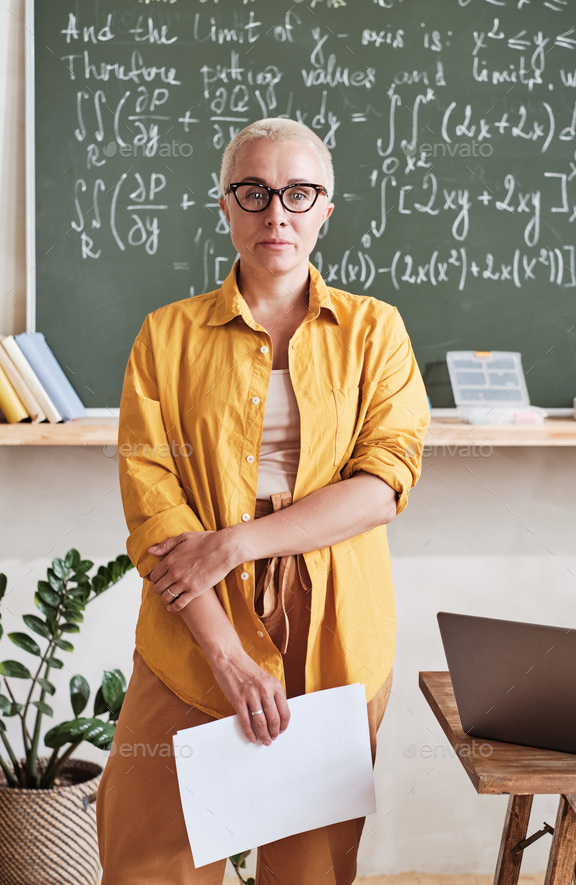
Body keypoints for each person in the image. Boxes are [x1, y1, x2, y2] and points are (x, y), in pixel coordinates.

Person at [97, 117, 429, 884]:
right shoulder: (165, 335)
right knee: (151, 858)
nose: (275, 213)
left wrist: (238, 541)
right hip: (196, 615)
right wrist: (227, 652)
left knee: (308, 866)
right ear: (224, 205)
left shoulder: (376, 332)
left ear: (325, 210)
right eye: (254, 192)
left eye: (298, 193)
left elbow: (382, 486)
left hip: (334, 619)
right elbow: (154, 505)